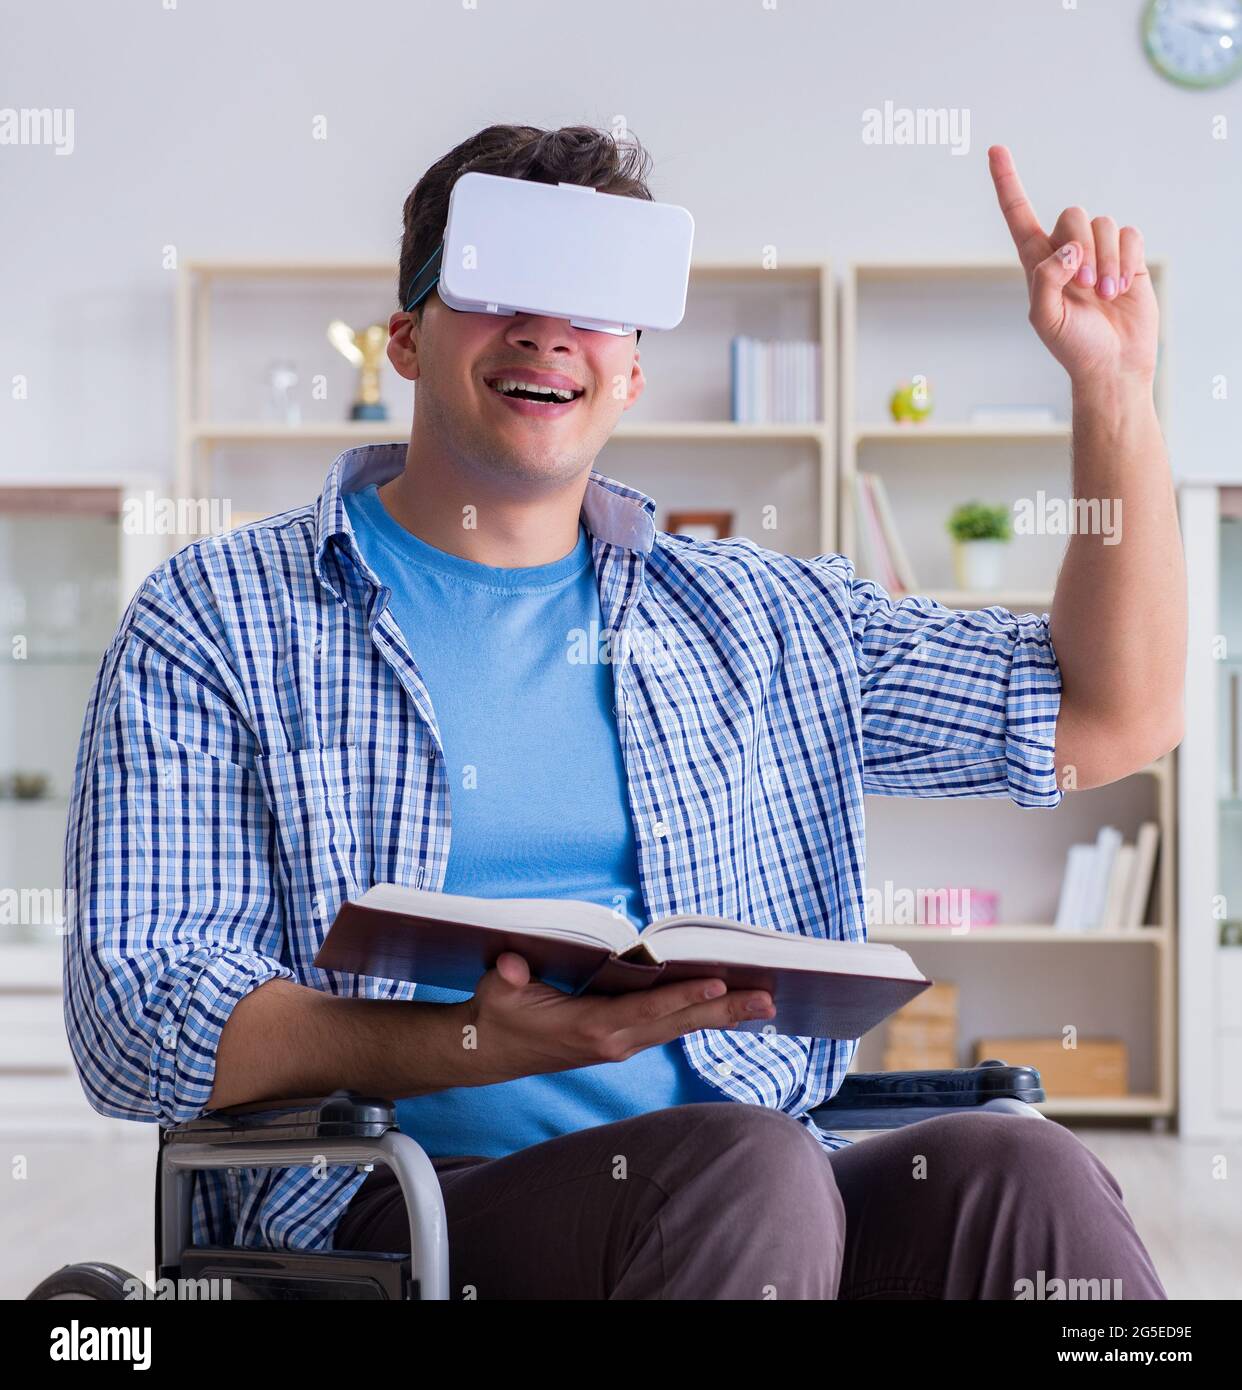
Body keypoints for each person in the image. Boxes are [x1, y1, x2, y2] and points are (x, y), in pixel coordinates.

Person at [64, 124, 1180, 1298]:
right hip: (395, 1211)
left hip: (755, 1192)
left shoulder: (760, 617)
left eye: (593, 304)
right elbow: (132, 1016)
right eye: (497, 290)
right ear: (403, 338)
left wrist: (1112, 391)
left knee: (1018, 1167)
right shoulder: (219, 617)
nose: (546, 332)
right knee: (745, 1166)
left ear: (633, 371)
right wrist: (464, 1041)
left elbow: (1108, 713)